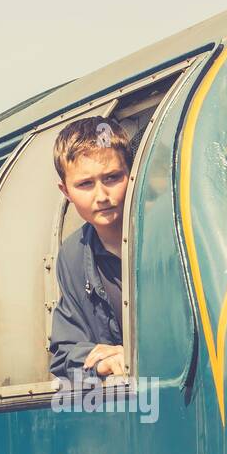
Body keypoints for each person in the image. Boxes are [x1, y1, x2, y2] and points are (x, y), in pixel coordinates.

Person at [48, 116, 131, 382]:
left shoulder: (172, 231)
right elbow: (64, 355)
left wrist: (132, 355)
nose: (101, 196)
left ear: (131, 173)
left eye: (112, 178)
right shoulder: (72, 256)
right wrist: (99, 362)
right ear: (66, 191)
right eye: (85, 184)